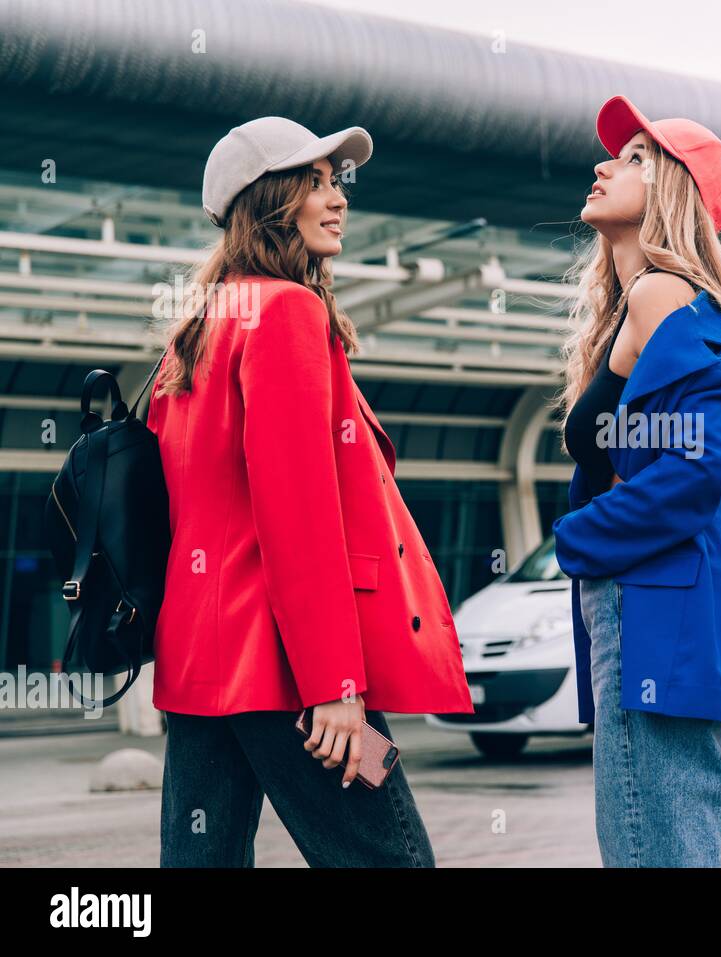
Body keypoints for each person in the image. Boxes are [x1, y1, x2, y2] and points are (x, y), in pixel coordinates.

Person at [146, 117, 473, 867]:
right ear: (268, 199)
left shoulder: (197, 330)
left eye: (336, 182)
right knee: (393, 860)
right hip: (288, 670)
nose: (337, 199)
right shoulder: (287, 312)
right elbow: (297, 513)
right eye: (314, 182)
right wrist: (335, 684)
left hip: (200, 668)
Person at [552, 95, 721, 867]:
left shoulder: (662, 293)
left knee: (654, 849)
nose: (605, 165)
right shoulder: (644, 307)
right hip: (679, 616)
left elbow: (690, 472)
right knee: (678, 843)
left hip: (658, 612)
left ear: (675, 192)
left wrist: (577, 542)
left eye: (635, 159)